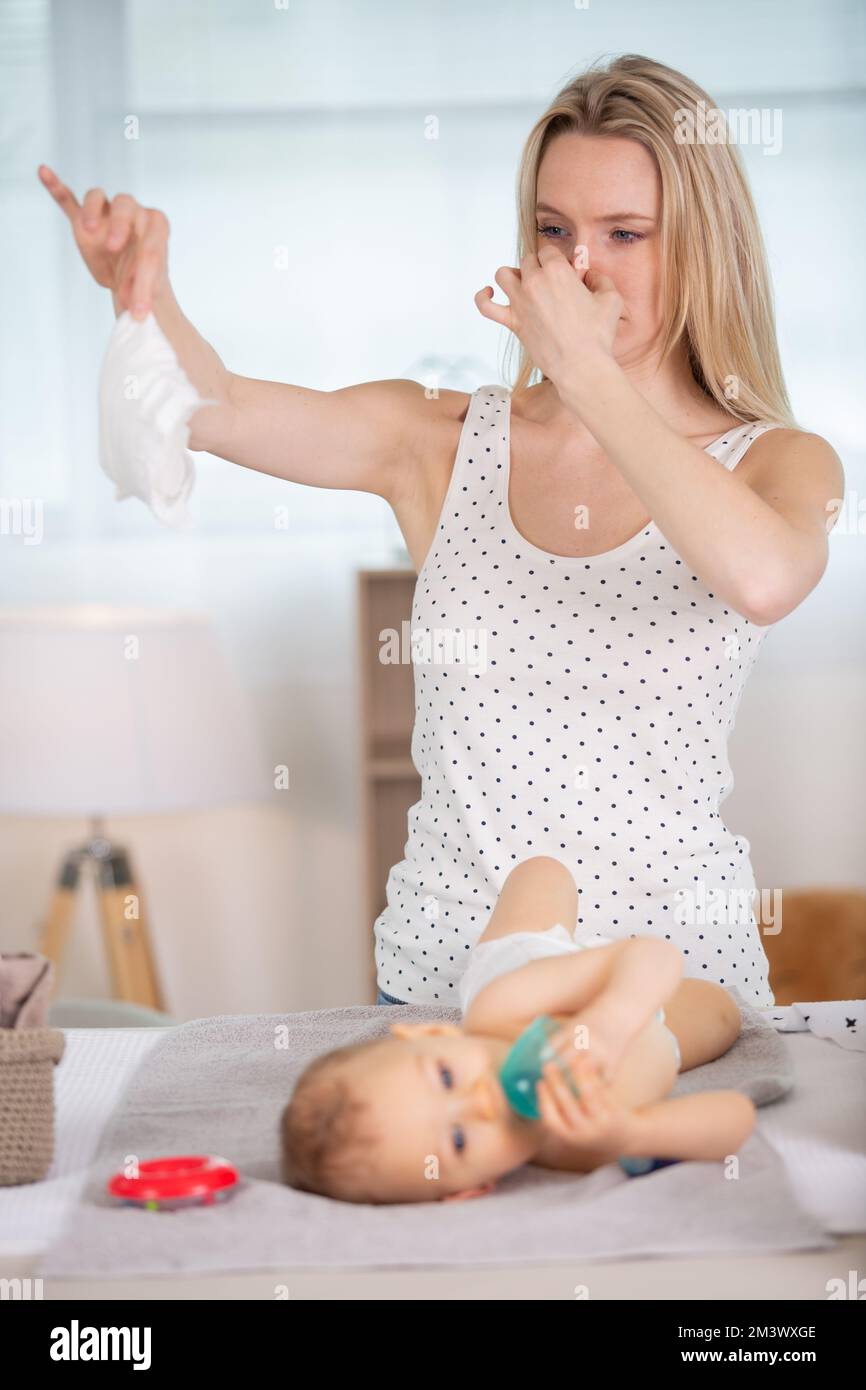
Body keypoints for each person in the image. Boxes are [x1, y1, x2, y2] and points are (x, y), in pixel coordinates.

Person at [39, 53, 843, 1014]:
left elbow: (763, 577)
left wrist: (587, 376)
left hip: (675, 1000)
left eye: (626, 233)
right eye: (554, 231)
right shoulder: (440, 437)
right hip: (442, 985)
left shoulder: (779, 463)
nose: (580, 267)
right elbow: (215, 408)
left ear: (704, 247)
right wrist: (145, 295)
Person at [279, 856, 754, 1204]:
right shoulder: (578, 1144)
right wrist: (631, 1133)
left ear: (432, 1035)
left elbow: (652, 954)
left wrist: (609, 1018)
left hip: (542, 976)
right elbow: (737, 1119)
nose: (481, 1100)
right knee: (725, 1012)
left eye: (446, 1077)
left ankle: (557, 934)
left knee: (542, 873)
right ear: (472, 1188)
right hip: (656, 1035)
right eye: (459, 1140)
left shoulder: (500, 1005)